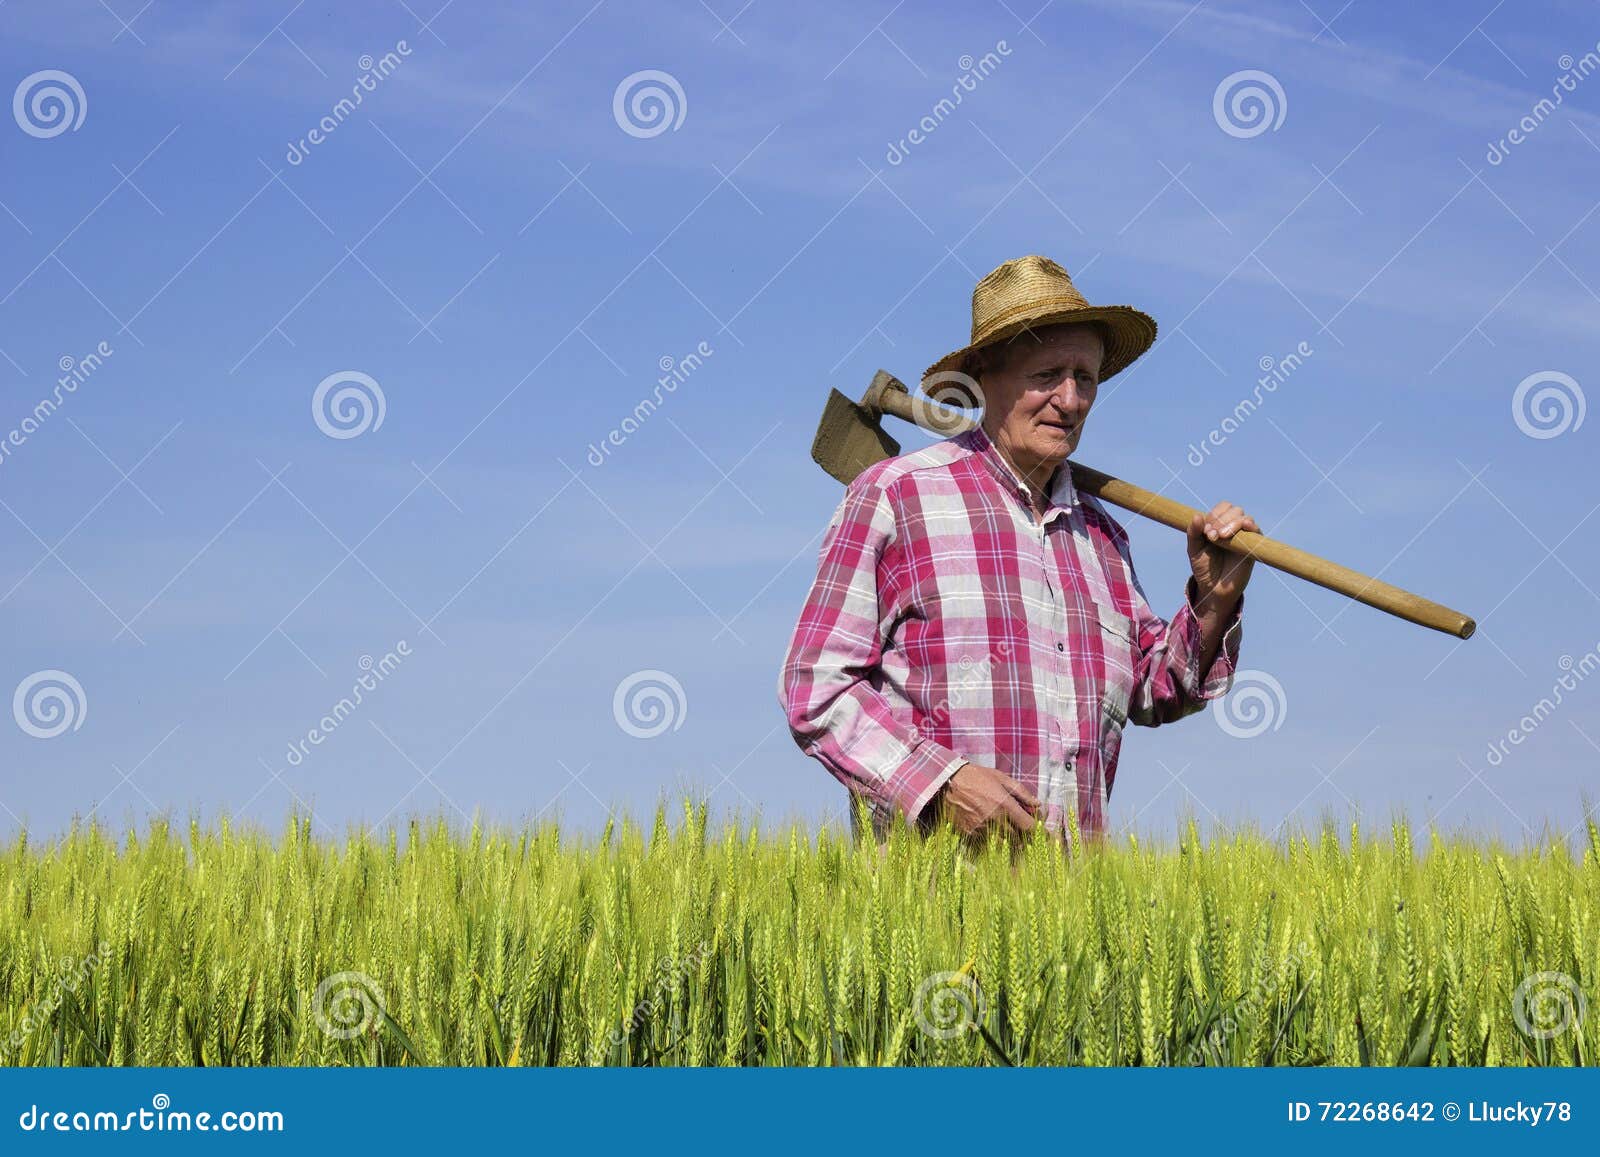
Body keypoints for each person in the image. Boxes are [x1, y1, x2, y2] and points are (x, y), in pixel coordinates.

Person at [777, 254, 1259, 846]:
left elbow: (1156, 691)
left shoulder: (1103, 540)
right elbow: (816, 685)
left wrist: (1215, 599)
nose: (1071, 398)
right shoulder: (897, 497)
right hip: (925, 912)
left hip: (1069, 918)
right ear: (984, 378)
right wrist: (941, 784)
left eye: (1086, 378)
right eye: (1047, 374)